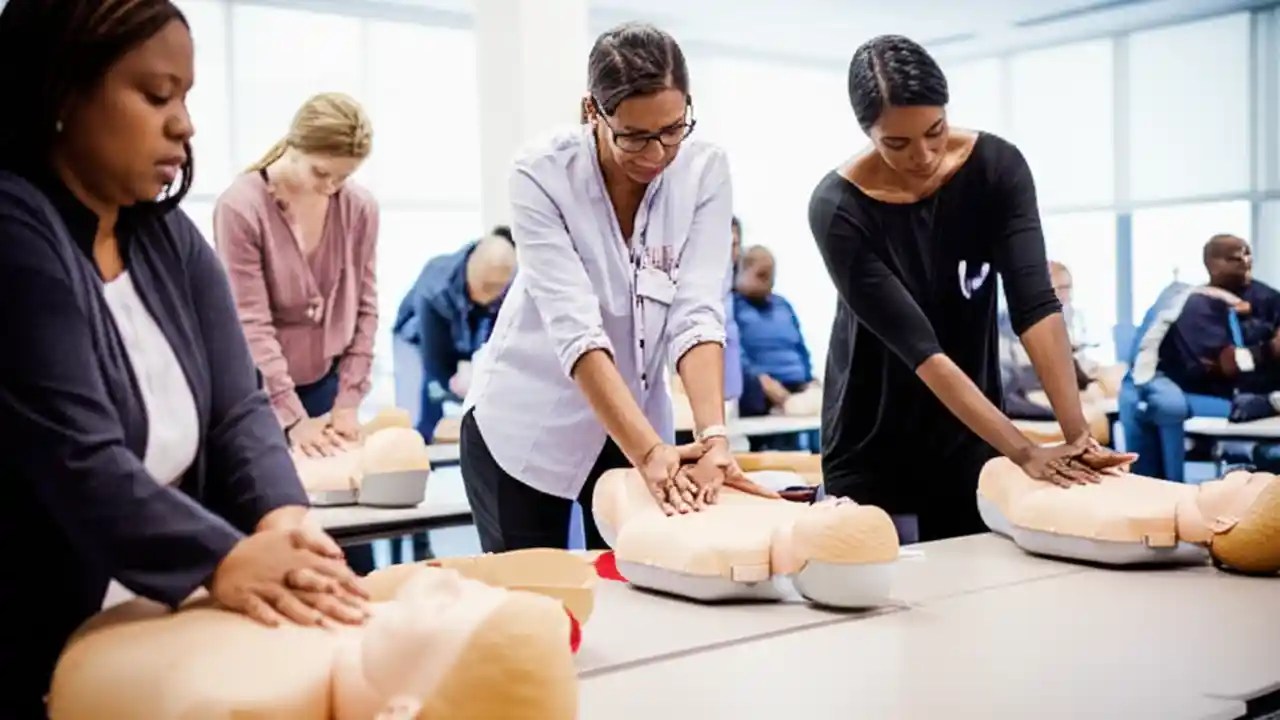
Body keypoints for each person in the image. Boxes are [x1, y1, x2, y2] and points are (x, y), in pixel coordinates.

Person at [0, 1, 366, 714]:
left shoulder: (168, 239)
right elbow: (77, 457)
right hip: (36, 634)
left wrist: (282, 518)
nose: (184, 125)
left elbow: (237, 408)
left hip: (151, 616)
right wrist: (222, 557)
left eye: (187, 97)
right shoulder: (13, 231)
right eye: (155, 95)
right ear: (61, 91)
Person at [460, 22, 773, 554]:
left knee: (643, 582)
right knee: (538, 592)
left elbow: (697, 313)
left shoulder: (704, 171)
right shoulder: (541, 174)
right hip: (528, 425)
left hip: (636, 423)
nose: (656, 154)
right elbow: (575, 330)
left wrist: (713, 436)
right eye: (633, 136)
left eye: (672, 129)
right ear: (593, 112)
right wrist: (648, 453)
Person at [808, 35, 1134, 543]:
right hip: (871, 435)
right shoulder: (838, 209)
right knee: (880, 582)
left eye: (934, 131)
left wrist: (1078, 436)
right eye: (897, 143)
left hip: (971, 434)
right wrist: (1024, 451)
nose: (923, 155)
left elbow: (1035, 305)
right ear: (867, 133)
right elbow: (922, 351)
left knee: (975, 581)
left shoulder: (996, 169)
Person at [214, 93, 379, 574]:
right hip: (258, 396)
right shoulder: (241, 207)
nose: (330, 188)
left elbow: (366, 308)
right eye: (321, 173)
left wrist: (348, 400)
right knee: (283, 534)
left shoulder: (359, 208)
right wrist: (292, 417)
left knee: (349, 545)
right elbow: (250, 323)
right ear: (293, 146)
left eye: (343, 177)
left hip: (327, 388)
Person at [392, 233, 517, 442]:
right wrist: (457, 384)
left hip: (467, 334)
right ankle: (418, 444)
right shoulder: (435, 288)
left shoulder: (510, 283)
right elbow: (435, 359)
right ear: (471, 271)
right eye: (488, 287)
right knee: (420, 413)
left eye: (500, 288)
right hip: (415, 340)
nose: (494, 293)